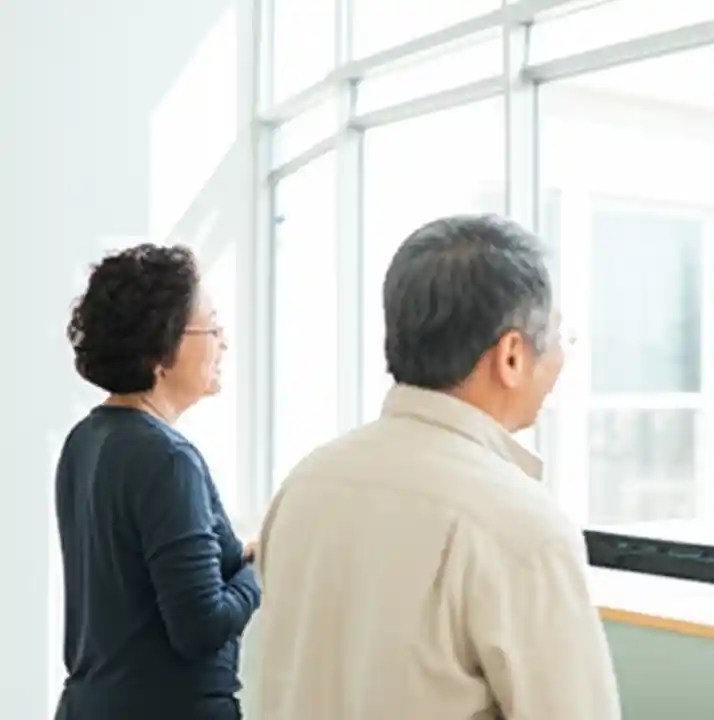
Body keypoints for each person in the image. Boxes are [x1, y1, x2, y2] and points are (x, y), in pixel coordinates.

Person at [252, 214, 620, 719]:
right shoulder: (520, 528)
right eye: (560, 337)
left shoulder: (306, 484)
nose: (562, 357)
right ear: (511, 355)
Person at [55, 244, 261, 720]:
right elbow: (201, 627)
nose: (223, 342)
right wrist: (261, 570)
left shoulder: (84, 441)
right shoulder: (168, 459)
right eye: (212, 328)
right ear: (160, 350)